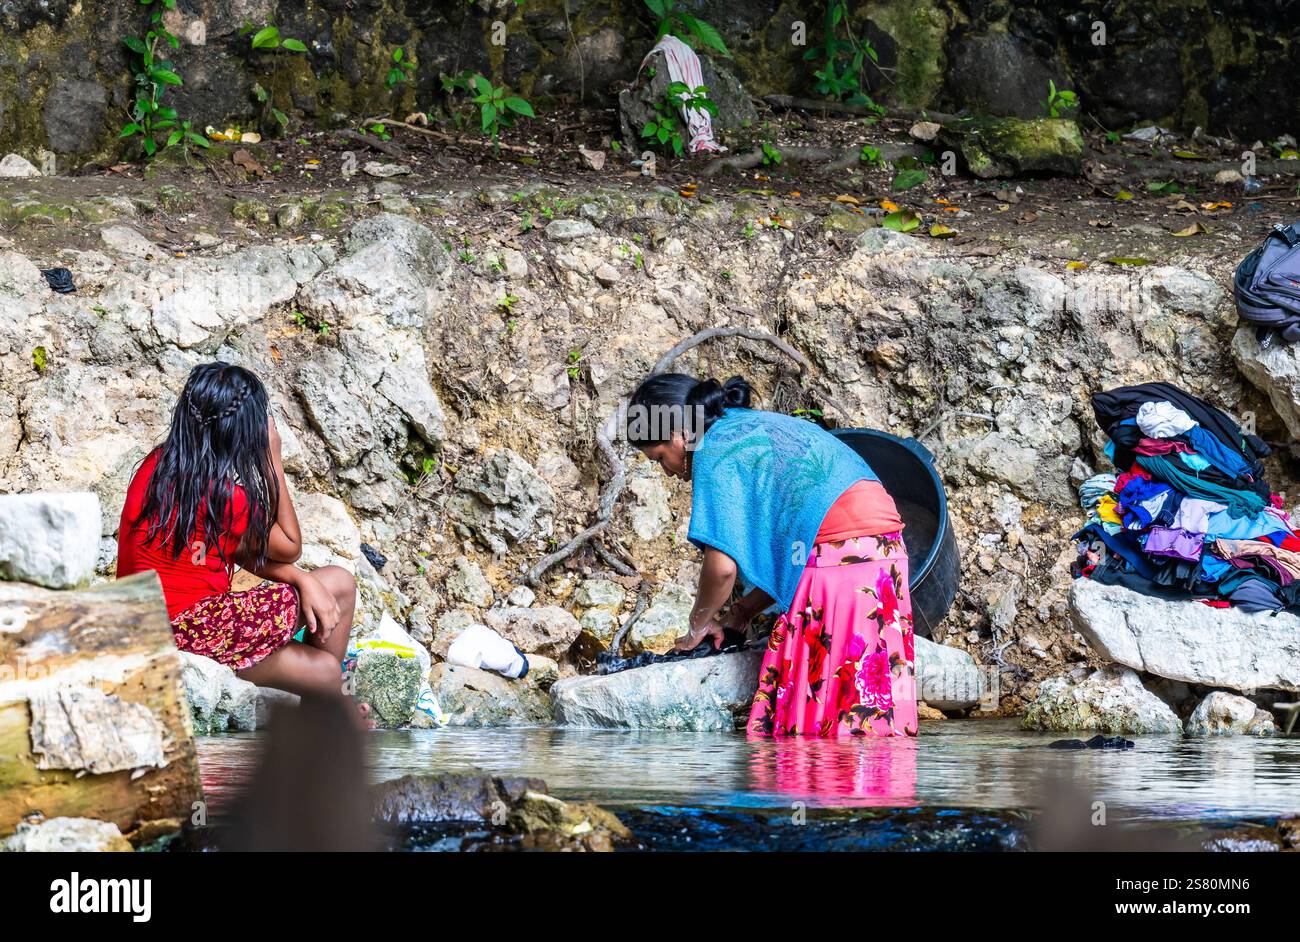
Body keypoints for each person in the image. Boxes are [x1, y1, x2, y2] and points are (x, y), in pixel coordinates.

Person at [625, 372, 917, 738]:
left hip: (840, 552)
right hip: (883, 547)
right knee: (865, 713)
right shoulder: (744, 425)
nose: (666, 471)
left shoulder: (713, 450)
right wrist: (742, 611)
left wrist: (697, 625)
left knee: (813, 726)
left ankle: (825, 788)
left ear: (677, 434)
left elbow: (722, 568)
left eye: (658, 458)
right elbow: (795, 551)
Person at [116, 362, 360, 708]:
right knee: (339, 585)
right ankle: (332, 709)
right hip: (194, 634)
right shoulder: (227, 497)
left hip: (142, 629)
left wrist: (299, 579)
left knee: (325, 665)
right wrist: (271, 459)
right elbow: (290, 545)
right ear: (245, 432)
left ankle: (329, 702)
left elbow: (235, 551)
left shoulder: (154, 468)